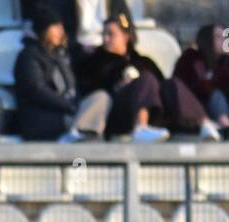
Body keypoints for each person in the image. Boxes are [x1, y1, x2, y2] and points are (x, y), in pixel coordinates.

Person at [76, 17, 215, 141]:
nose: (105, 39)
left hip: (156, 115)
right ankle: (140, 127)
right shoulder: (96, 61)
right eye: (103, 34)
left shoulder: (143, 61)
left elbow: (161, 85)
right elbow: (90, 90)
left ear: (125, 37)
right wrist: (118, 85)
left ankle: (204, 124)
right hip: (118, 113)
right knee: (146, 78)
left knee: (171, 83)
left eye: (111, 34)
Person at [14, 5, 111, 141]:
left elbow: (73, 88)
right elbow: (36, 90)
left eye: (61, 27)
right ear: (44, 29)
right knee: (91, 129)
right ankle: (77, 136)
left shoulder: (61, 56)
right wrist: (69, 106)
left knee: (101, 97)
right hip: (46, 118)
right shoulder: (28, 56)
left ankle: (77, 134)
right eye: (56, 27)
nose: (61, 31)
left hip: (69, 113)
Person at [174, 23, 229, 141]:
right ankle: (227, 129)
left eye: (225, 36)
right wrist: (216, 84)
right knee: (216, 95)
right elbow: (190, 86)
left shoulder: (228, 62)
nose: (223, 40)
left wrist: (222, 76)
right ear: (207, 39)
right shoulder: (191, 58)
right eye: (218, 37)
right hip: (200, 109)